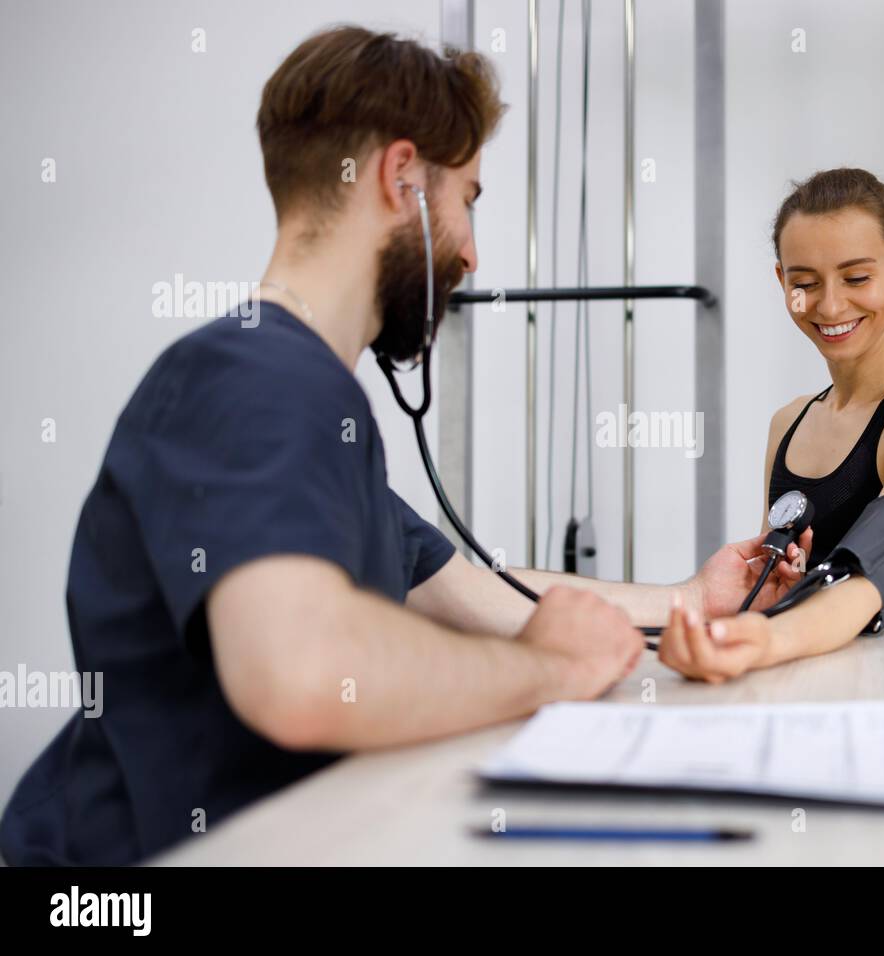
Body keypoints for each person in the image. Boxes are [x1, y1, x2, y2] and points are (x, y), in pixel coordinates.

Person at [0, 25, 808, 866]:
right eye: (468, 197)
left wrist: (695, 596)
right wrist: (547, 674)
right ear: (399, 178)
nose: (470, 248)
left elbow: (479, 596)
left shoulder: (305, 406)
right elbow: (302, 673)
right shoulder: (252, 380)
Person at [657, 168, 884, 683]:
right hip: (791, 689)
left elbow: (876, 570)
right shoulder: (788, 422)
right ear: (782, 282)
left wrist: (761, 638)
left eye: (857, 278)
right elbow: (766, 586)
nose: (829, 305)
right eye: (804, 282)